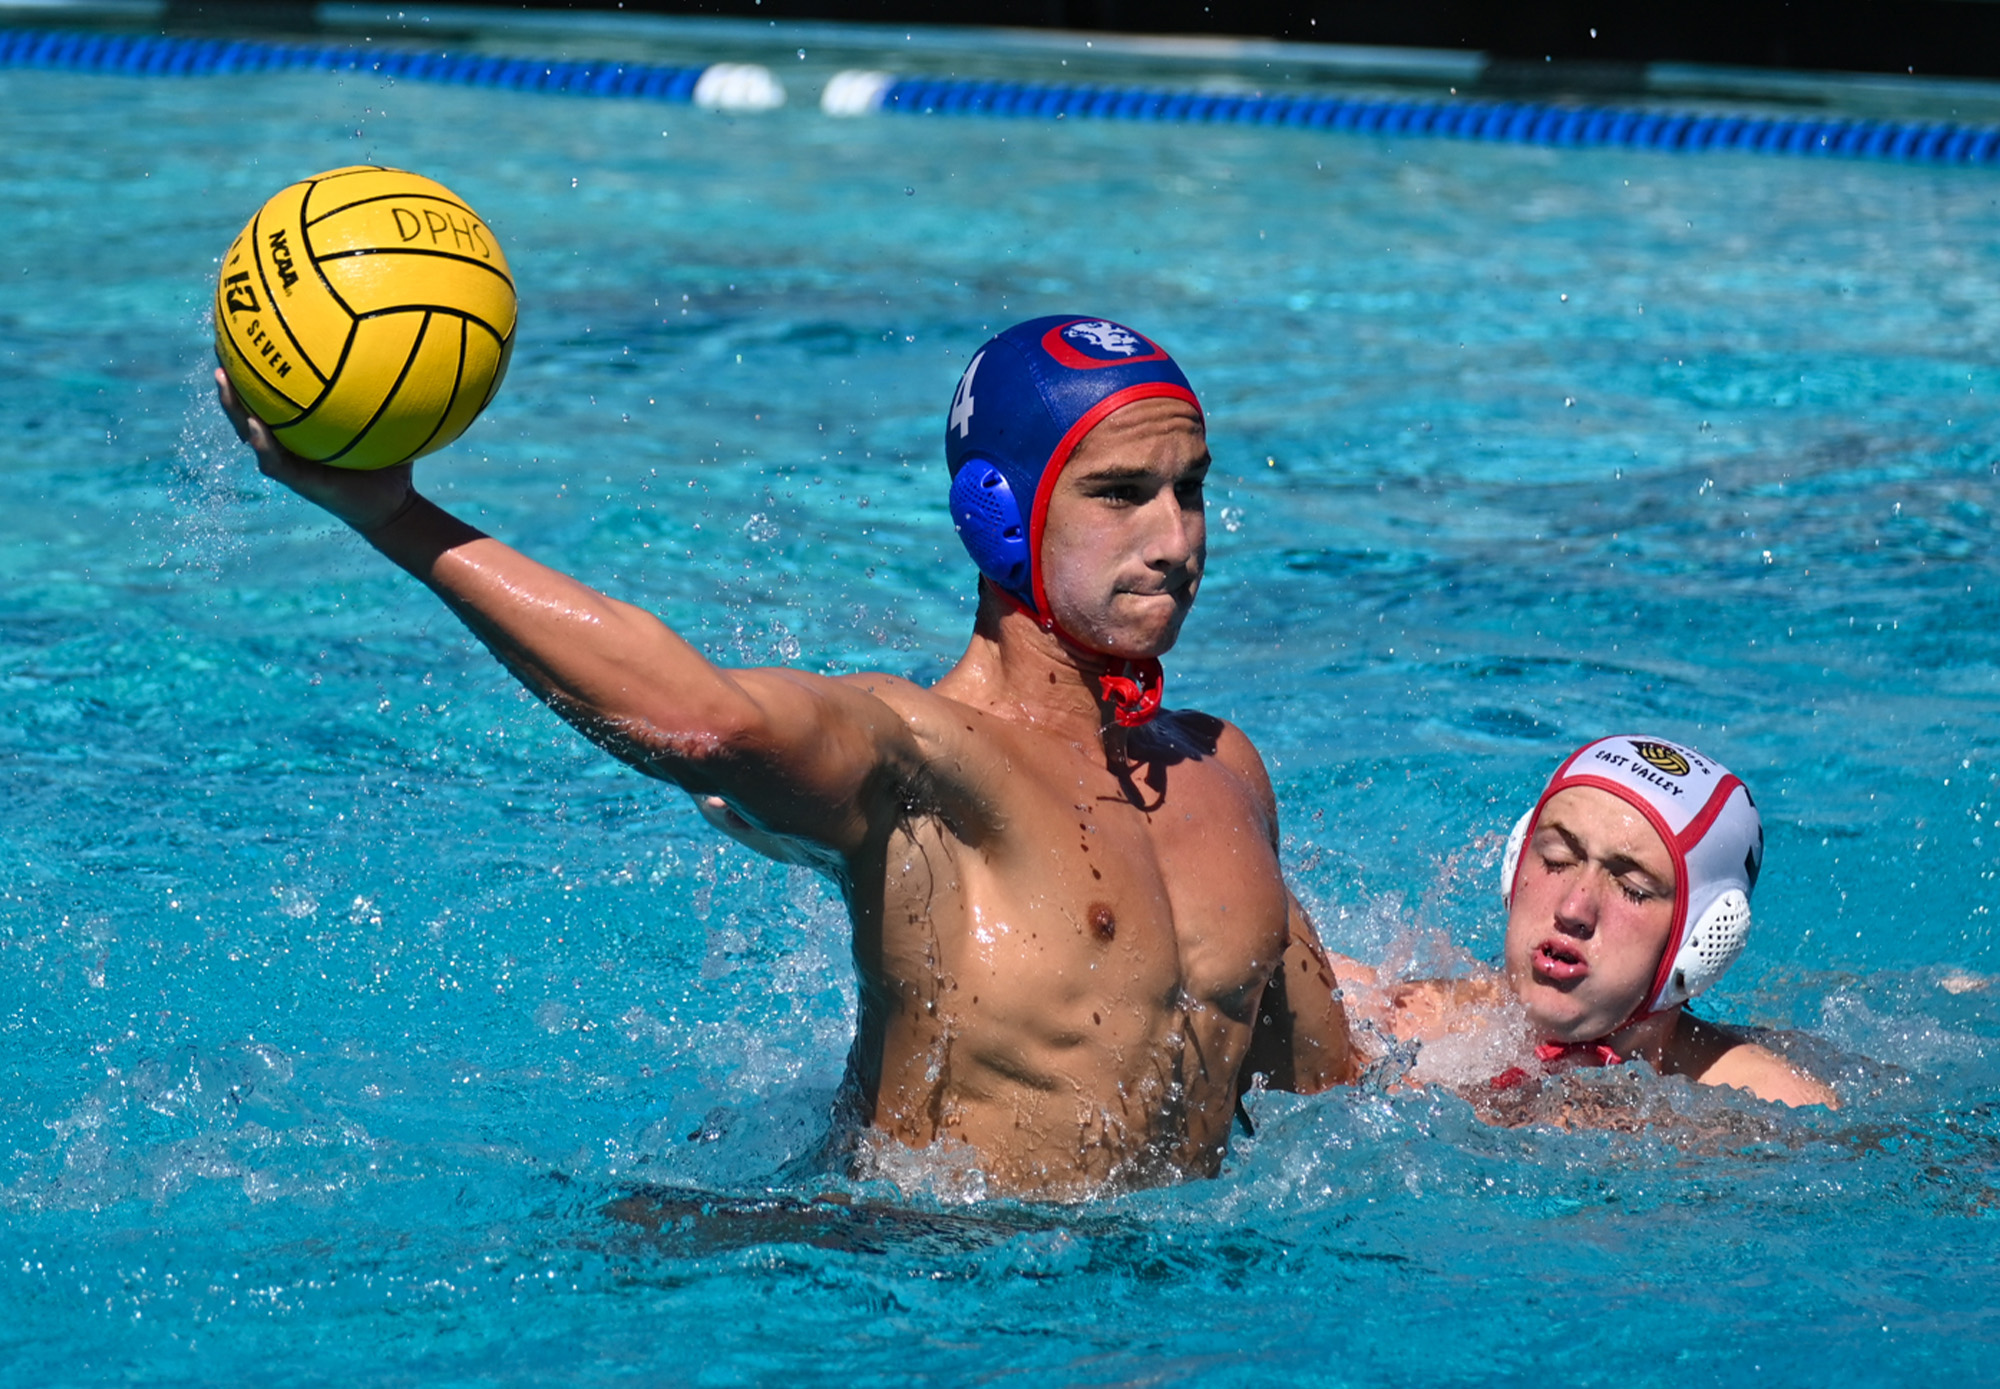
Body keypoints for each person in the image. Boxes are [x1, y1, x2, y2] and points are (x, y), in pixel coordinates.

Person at [215, 315, 1354, 1198]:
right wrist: (394, 516)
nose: (1174, 539)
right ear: (998, 510)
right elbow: (703, 721)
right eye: (1120, 493)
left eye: (1190, 490)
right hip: (923, 1289)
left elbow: (1333, 1096)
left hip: (1180, 1313)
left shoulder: (1221, 772)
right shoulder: (921, 757)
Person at [1334, 735, 1837, 1111]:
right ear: (1515, 866)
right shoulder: (1391, 1022)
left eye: (1633, 888)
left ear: (1702, 942)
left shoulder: (1771, 1113)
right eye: (1555, 857)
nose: (1574, 908)